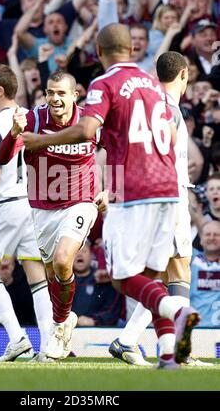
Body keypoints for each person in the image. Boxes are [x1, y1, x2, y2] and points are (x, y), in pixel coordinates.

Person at [21, 24, 201, 369]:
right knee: (153, 277)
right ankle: (169, 355)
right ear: (132, 49)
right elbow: (173, 135)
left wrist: (38, 141)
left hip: (133, 192)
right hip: (169, 189)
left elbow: (89, 130)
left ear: (100, 54)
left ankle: (175, 310)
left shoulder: (105, 84)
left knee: (122, 279)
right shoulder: (154, 86)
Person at [109, 51, 212, 367]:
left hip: (144, 197)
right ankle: (179, 350)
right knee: (179, 270)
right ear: (183, 75)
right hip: (168, 196)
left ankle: (127, 341)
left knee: (160, 273)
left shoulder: (146, 102)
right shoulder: (169, 109)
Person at [0, 70, 108, 361]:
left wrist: (110, 190)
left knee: (63, 260)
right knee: (52, 277)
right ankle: (65, 319)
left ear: (75, 94)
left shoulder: (90, 122)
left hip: (80, 203)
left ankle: (59, 327)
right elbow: (2, 158)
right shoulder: (33, 119)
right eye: (50, 93)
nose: (55, 99)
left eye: (61, 93)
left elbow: (118, 151)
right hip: (42, 210)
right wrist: (13, 133)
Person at [0, 62, 52, 362]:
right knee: (36, 275)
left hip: (5, 204)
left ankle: (18, 338)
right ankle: (47, 348)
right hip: (32, 205)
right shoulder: (33, 118)